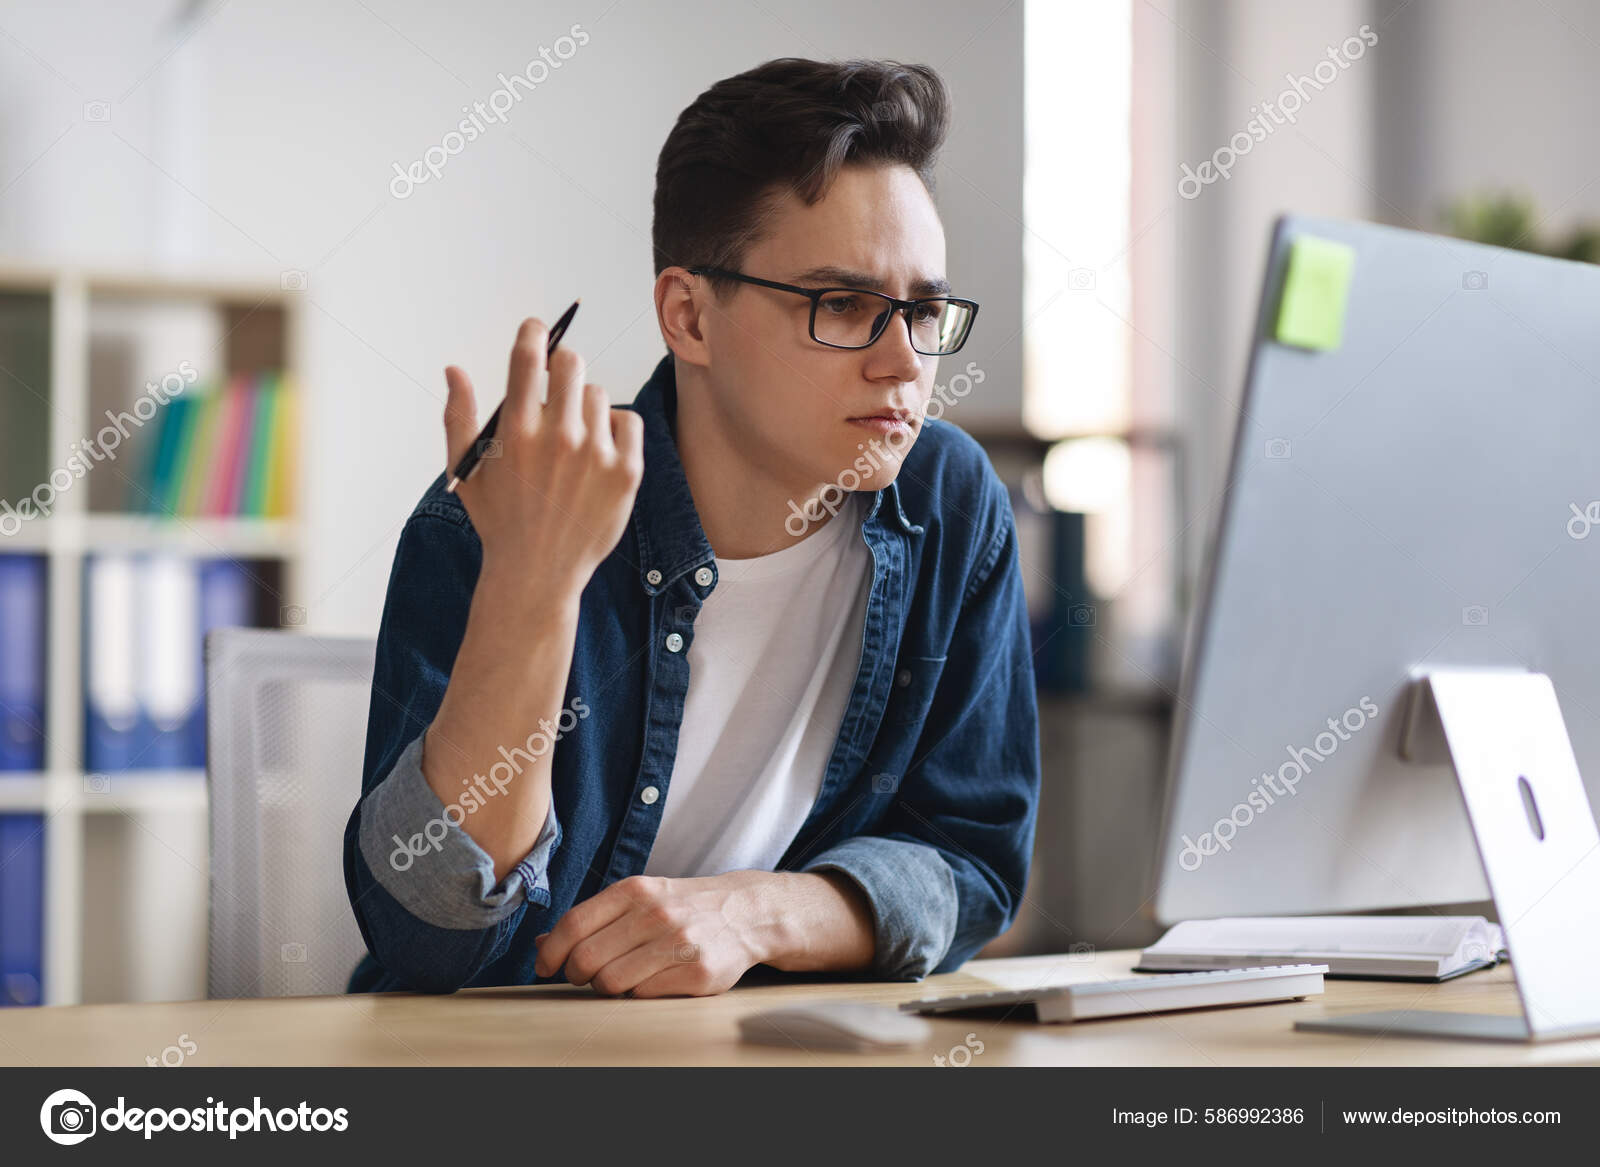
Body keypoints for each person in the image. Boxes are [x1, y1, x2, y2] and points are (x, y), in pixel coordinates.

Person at [343, 56, 1040, 997]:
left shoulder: (949, 502)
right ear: (689, 315)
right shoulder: (502, 512)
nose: (902, 362)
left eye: (921, 311)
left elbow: (973, 863)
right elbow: (430, 943)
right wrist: (533, 581)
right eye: (843, 306)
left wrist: (759, 912)